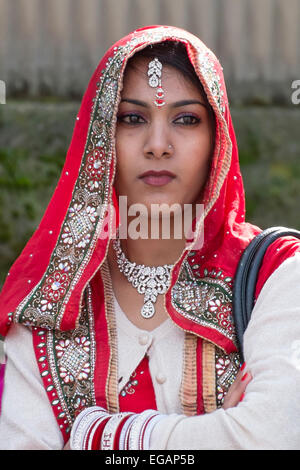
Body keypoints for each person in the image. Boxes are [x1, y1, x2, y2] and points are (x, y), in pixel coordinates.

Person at [0, 25, 299, 450]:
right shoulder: (50, 304)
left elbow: (274, 435)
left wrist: (93, 436)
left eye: (186, 119)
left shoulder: (277, 273)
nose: (158, 145)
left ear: (217, 139)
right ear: (100, 139)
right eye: (133, 118)